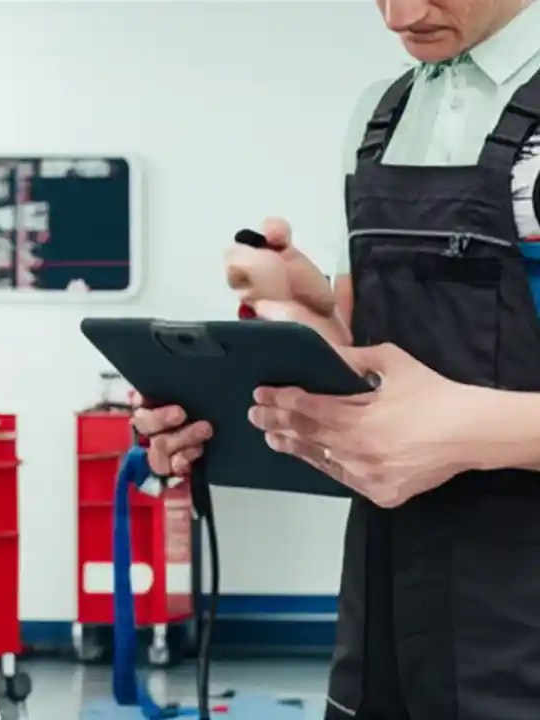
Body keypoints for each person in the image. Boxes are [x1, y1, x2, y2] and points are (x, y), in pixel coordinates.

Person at [135, 0, 540, 717]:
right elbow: (369, 354)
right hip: (387, 593)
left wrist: (468, 431)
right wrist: (301, 318)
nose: (400, 15)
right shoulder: (381, 114)